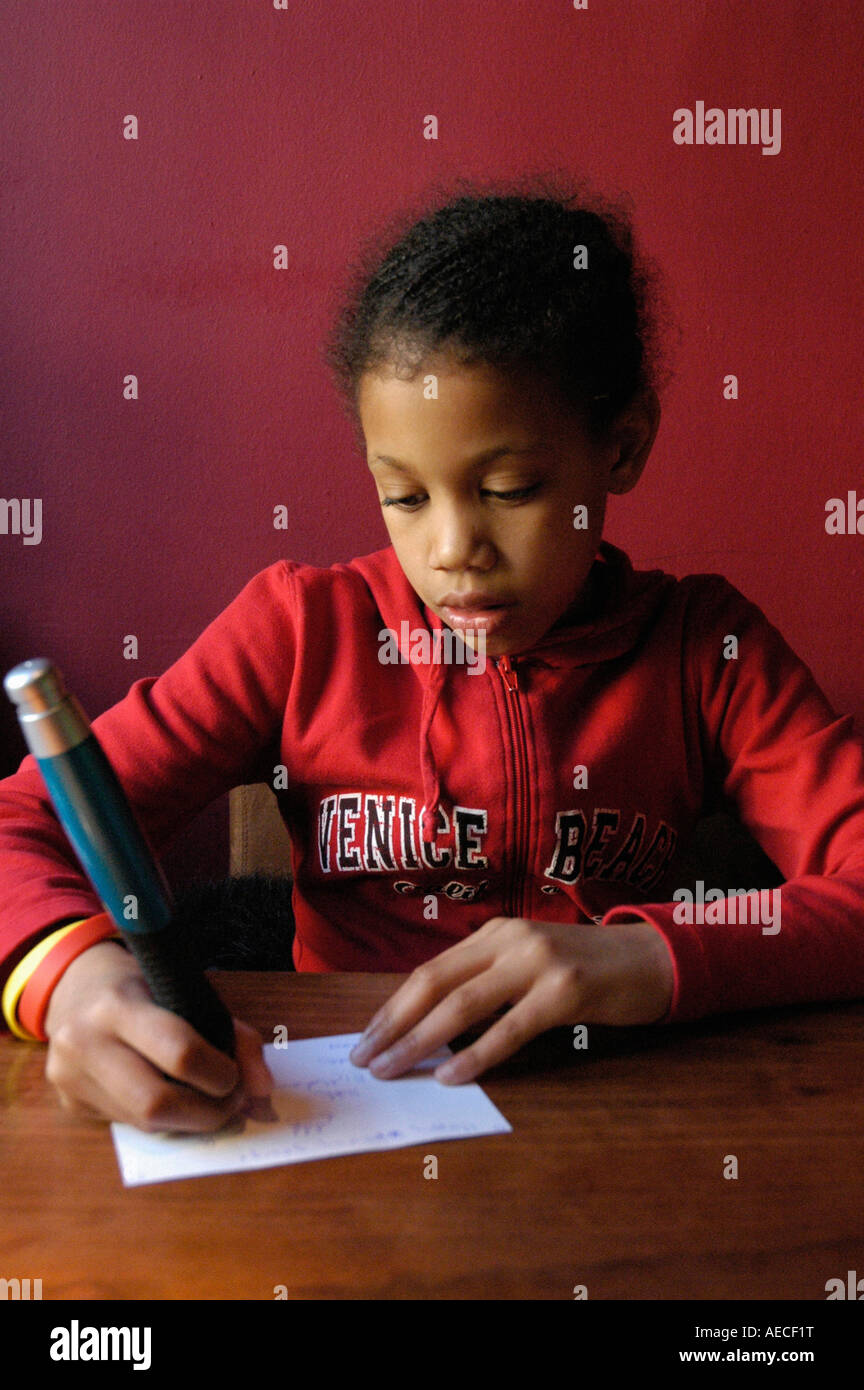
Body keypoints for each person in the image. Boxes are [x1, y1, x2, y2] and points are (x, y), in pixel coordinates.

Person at [2, 174, 864, 1133]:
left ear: (621, 447)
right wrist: (73, 981)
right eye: (405, 497)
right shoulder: (301, 631)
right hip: (334, 1117)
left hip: (616, 1117)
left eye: (509, 488)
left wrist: (651, 959)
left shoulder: (709, 649)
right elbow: (21, 821)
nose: (453, 549)